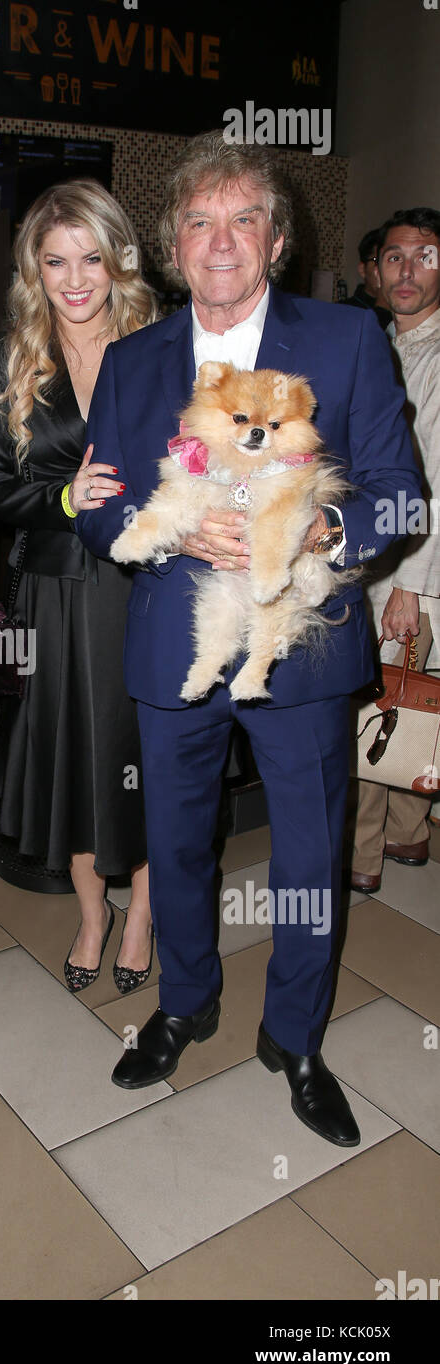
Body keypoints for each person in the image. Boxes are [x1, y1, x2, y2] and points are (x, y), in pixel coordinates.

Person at [75, 131, 421, 1146]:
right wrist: (167, 525)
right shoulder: (133, 359)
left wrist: (323, 527)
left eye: (241, 219)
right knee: (175, 842)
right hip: (172, 643)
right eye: (196, 221)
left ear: (275, 240)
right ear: (173, 244)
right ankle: (183, 1002)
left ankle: (294, 1036)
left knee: (307, 856)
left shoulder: (346, 339)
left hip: (304, 643)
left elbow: (401, 496)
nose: (217, 241)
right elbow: (97, 504)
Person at [0, 180, 154, 994]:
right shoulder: (9, 357)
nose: (74, 279)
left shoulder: (164, 342)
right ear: (32, 270)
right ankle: (91, 913)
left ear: (118, 260)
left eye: (90, 258)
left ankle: (142, 912)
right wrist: (61, 499)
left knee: (146, 754)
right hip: (53, 591)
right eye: (54, 262)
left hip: (149, 587)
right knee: (70, 756)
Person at [349, 207, 440, 892]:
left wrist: (409, 582)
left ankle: (362, 857)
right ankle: (409, 835)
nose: (406, 270)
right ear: (375, 270)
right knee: (414, 695)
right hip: (380, 557)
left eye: (424, 256)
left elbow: (432, 477)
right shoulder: (377, 340)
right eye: (393, 257)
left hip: (413, 568)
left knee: (379, 701)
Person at [344, 227, 392, 330]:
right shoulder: (344, 311)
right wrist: (382, 309)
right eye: (377, 260)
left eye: (393, 259)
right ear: (362, 269)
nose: (385, 268)